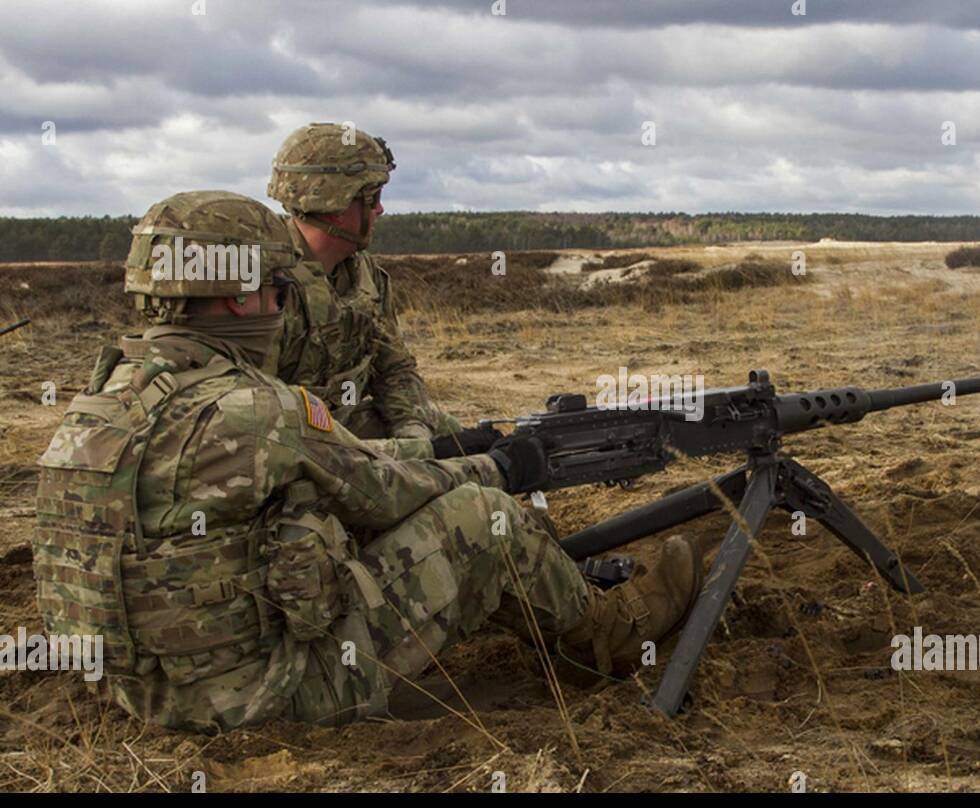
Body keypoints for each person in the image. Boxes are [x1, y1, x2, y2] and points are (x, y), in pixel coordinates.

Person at [32, 190, 701, 733]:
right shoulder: (259, 410)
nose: (278, 308)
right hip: (271, 701)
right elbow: (380, 491)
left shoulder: (94, 408)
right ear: (238, 297)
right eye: (275, 292)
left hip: (144, 696)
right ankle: (615, 635)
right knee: (483, 518)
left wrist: (440, 445)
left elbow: (337, 464)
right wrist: (503, 467)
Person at [267, 122, 472, 442]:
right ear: (337, 204)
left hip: (343, 426)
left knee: (453, 439)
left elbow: (394, 369)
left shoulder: (367, 277)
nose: (380, 209)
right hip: (284, 442)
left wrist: (412, 432)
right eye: (371, 198)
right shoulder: (267, 281)